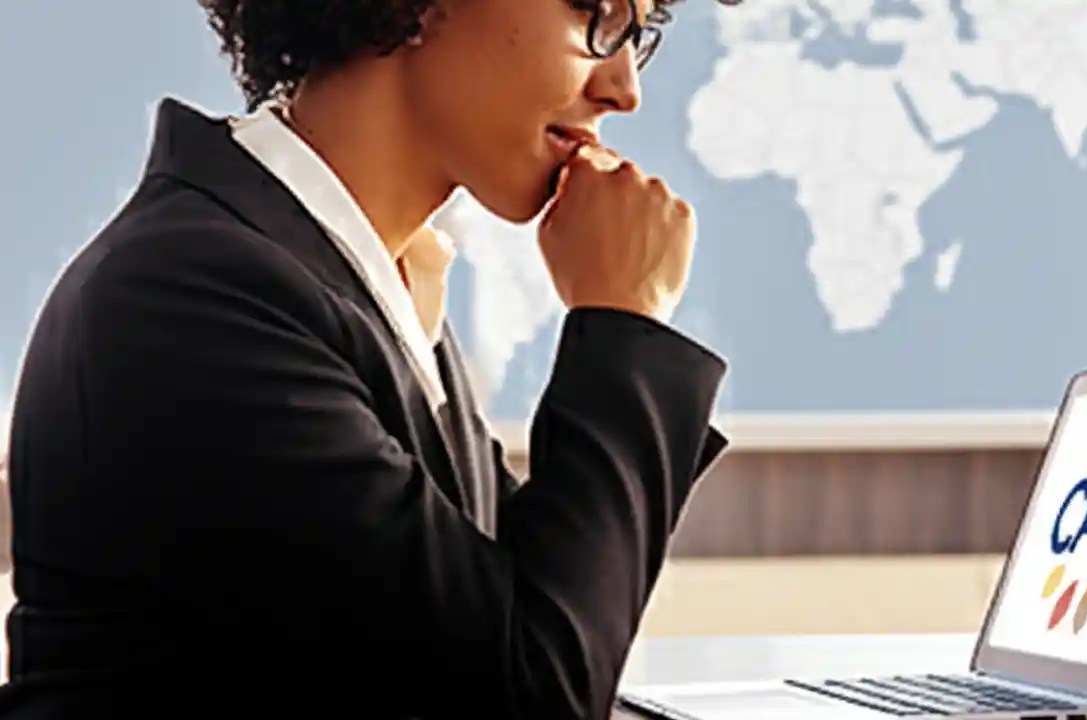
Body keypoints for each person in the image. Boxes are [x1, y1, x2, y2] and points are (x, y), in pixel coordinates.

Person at [0, 0, 735, 716]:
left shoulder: (367, 282)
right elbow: (532, 684)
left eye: (641, 34)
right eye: (596, 17)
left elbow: (530, 605)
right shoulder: (192, 296)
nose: (624, 89)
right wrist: (620, 323)